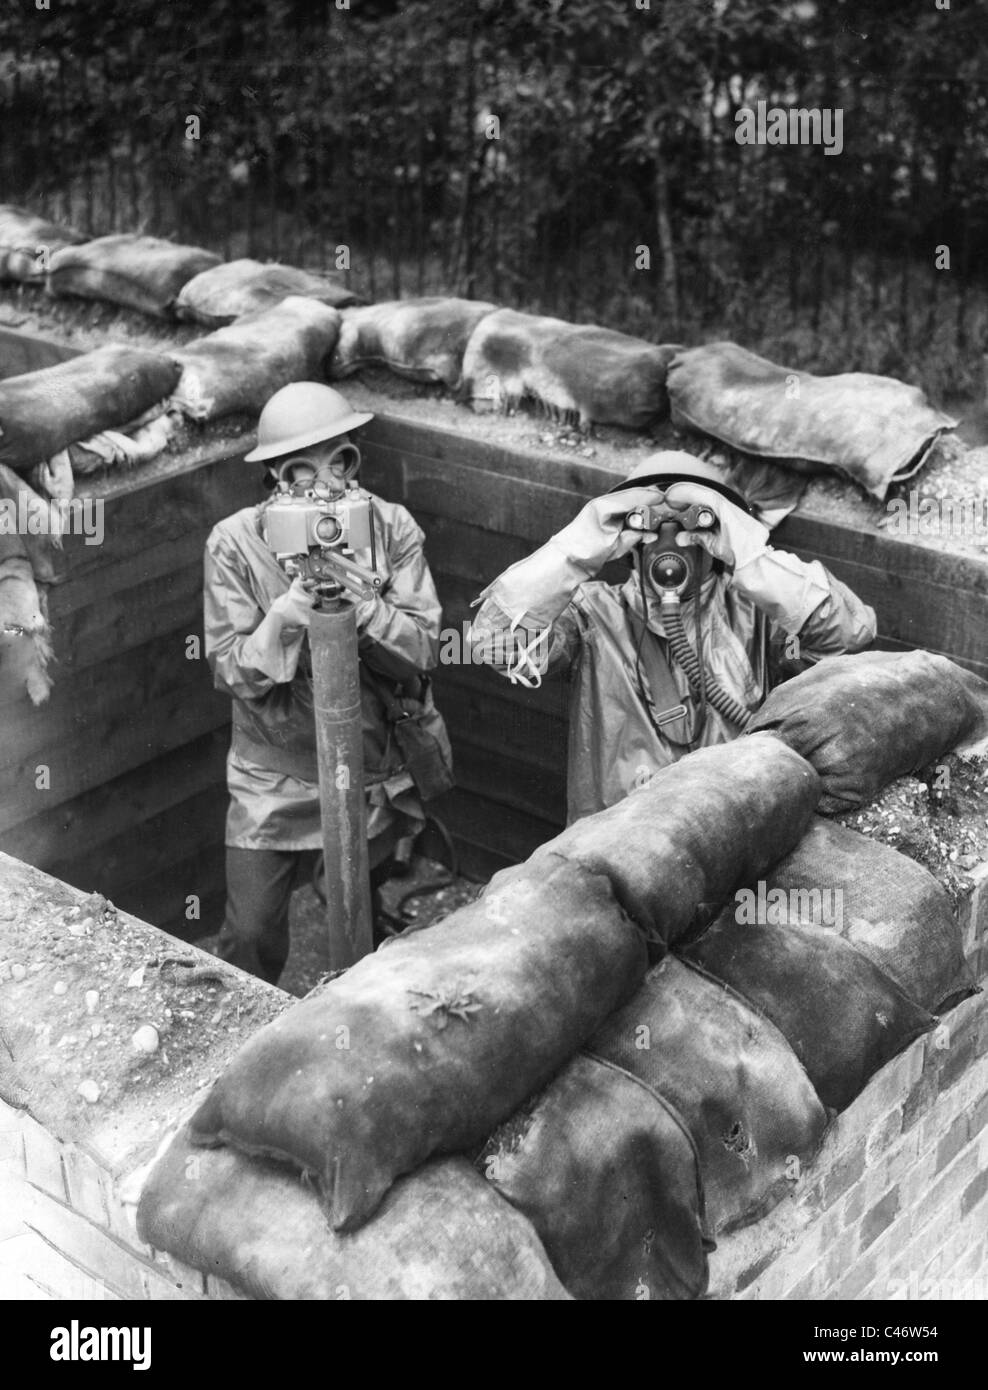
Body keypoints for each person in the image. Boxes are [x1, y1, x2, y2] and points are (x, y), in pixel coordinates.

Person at [469, 451, 876, 825]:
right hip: (621, 848)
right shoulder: (592, 616)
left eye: (687, 527)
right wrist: (576, 548)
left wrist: (752, 558)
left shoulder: (758, 616)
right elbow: (493, 644)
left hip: (736, 833)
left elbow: (846, 637)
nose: (668, 543)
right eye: (651, 526)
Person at [204, 381, 450, 983]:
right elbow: (231, 668)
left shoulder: (390, 527)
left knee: (356, 914)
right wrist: (287, 613)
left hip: (364, 770)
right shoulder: (236, 542)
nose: (323, 485)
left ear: (351, 461)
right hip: (274, 779)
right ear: (274, 479)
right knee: (252, 930)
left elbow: (423, 650)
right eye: (298, 471)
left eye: (337, 461)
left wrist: (366, 603)